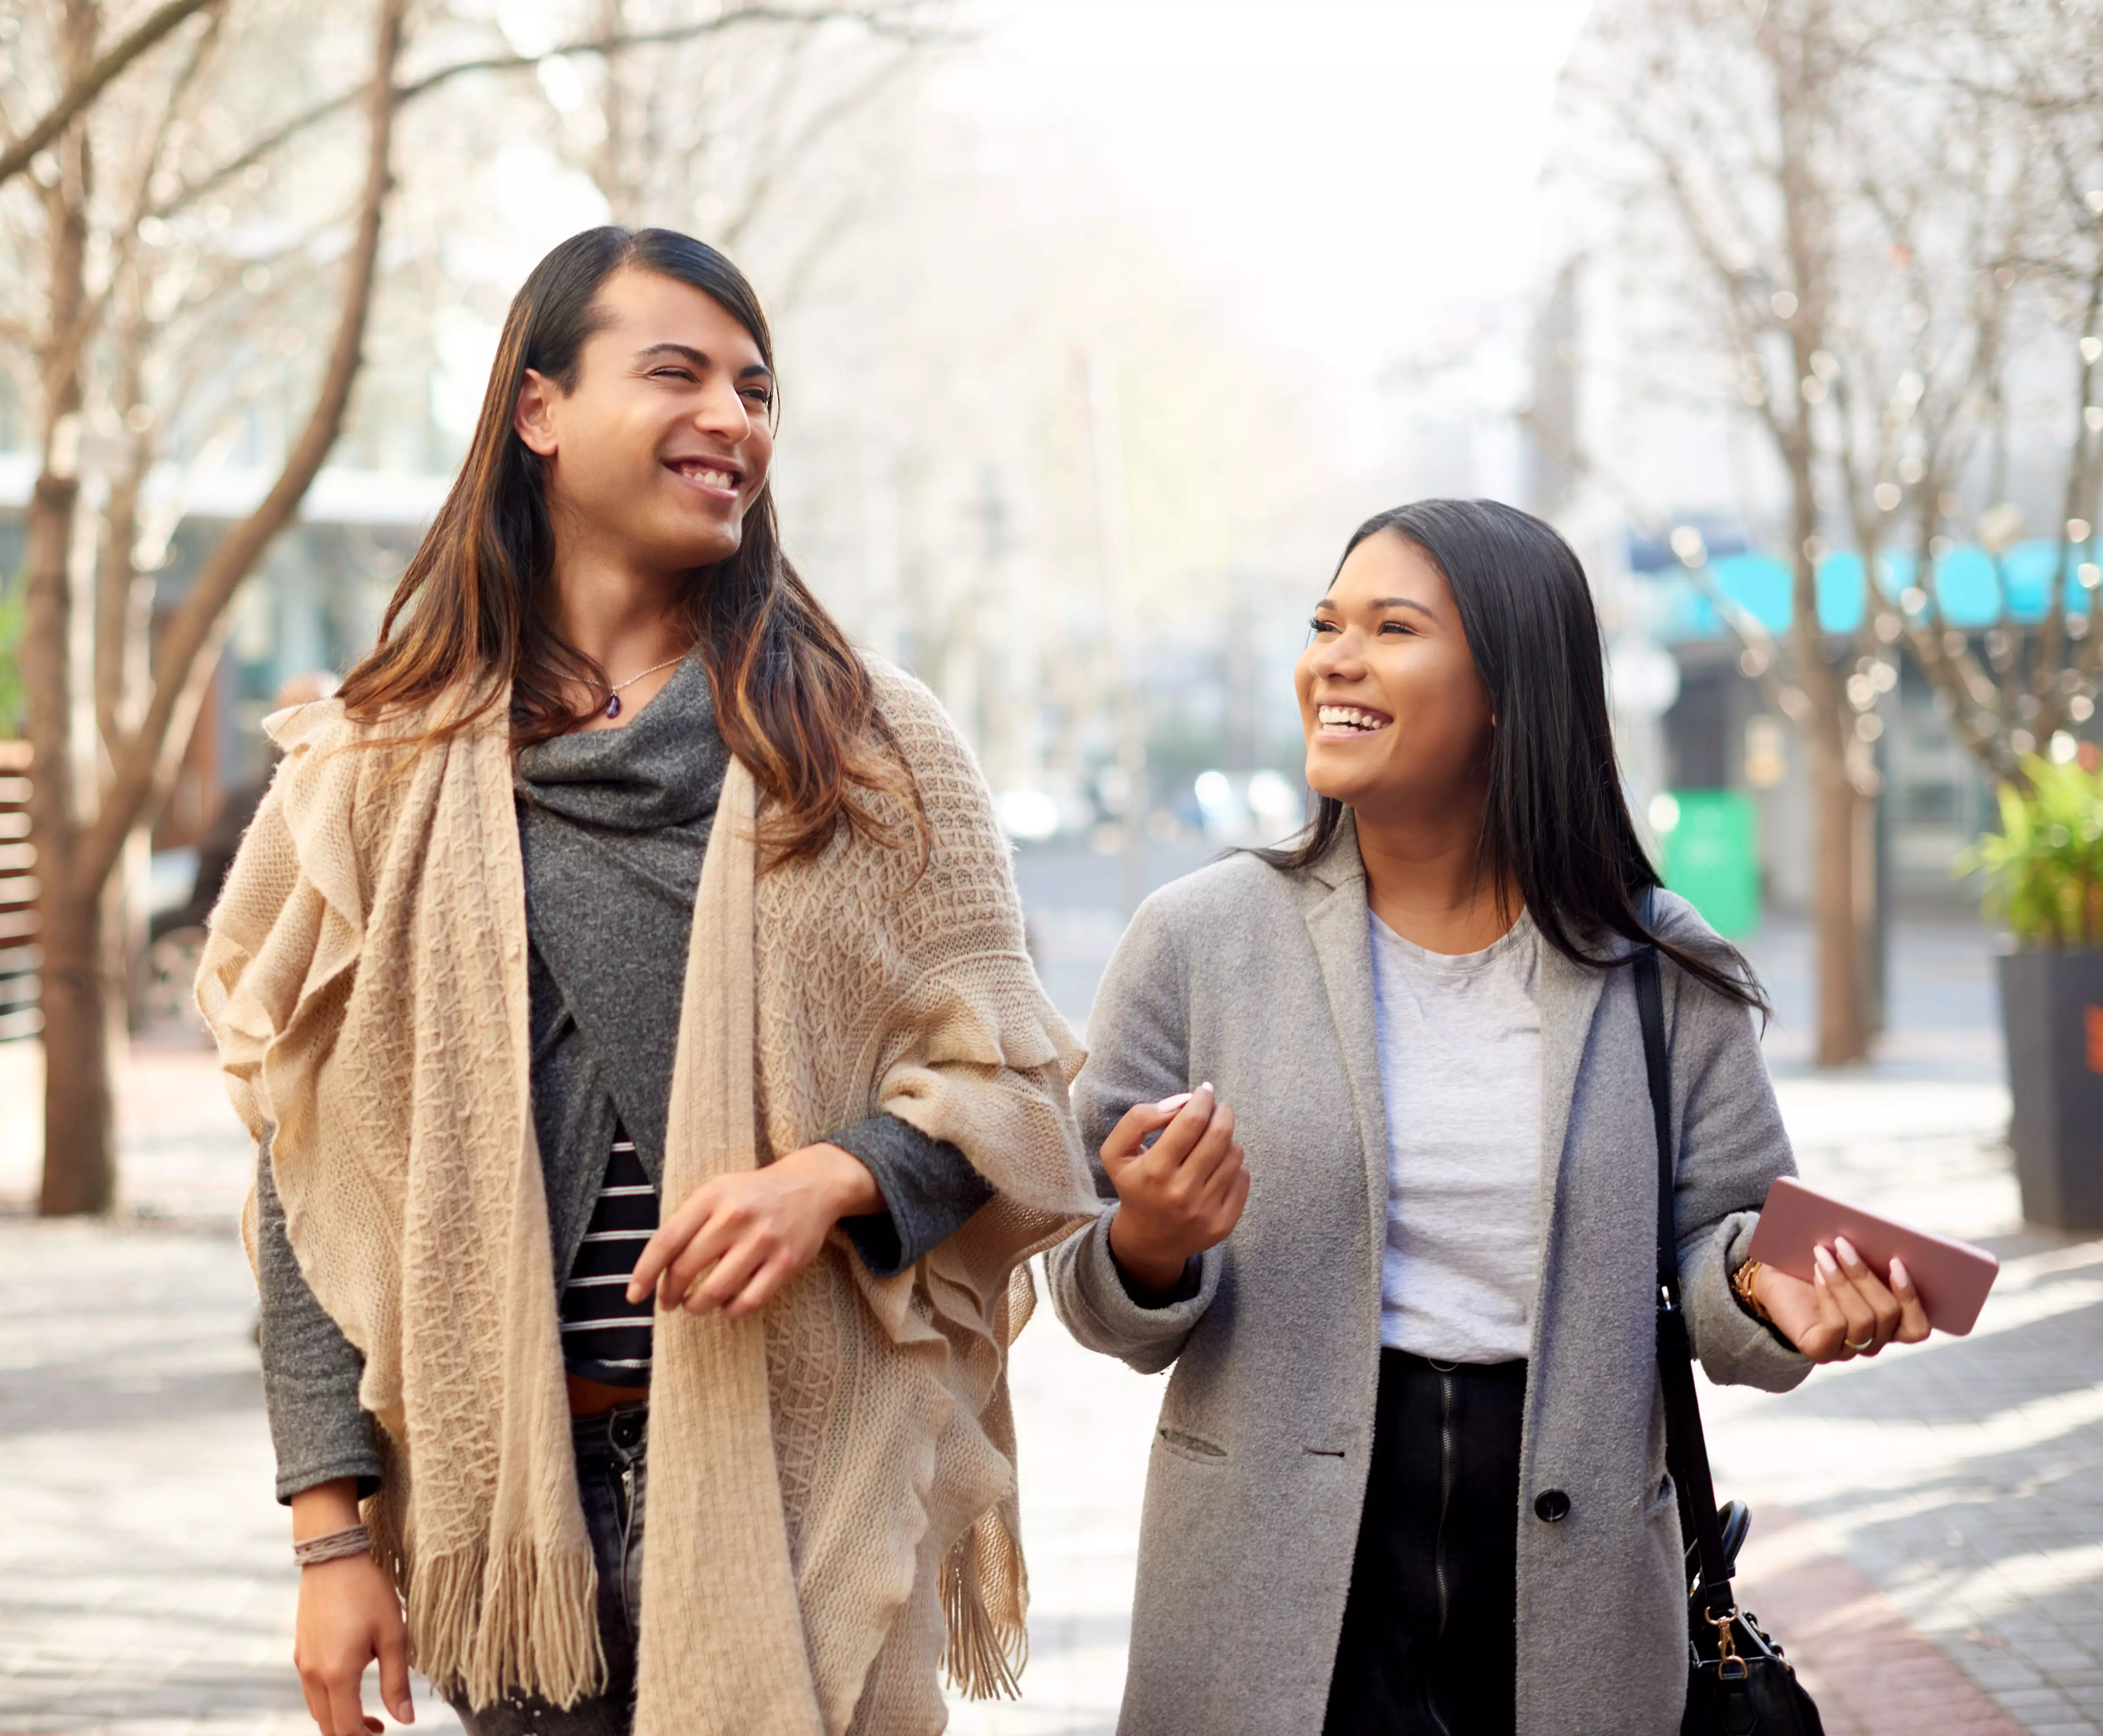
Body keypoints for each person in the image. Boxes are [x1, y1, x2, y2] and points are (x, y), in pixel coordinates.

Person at [197, 227, 1095, 1736]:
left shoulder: (867, 749)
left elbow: (1010, 1102)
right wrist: (331, 1532)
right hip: (513, 1524)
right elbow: (308, 1174)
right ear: (538, 410)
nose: (732, 420)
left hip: (804, 1489)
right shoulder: (377, 767)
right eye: (675, 373)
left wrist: (837, 1177)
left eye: (756, 390)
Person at [1044, 499, 1930, 1736]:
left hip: (1567, 1572)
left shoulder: (1660, 966)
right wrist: (1151, 1238)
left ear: (1510, 687)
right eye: (1323, 624)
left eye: (1391, 627)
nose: (1333, 660)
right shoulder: (1201, 939)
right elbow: (1085, 1288)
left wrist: (1776, 1293)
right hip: (1271, 1571)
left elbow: (1725, 1247)